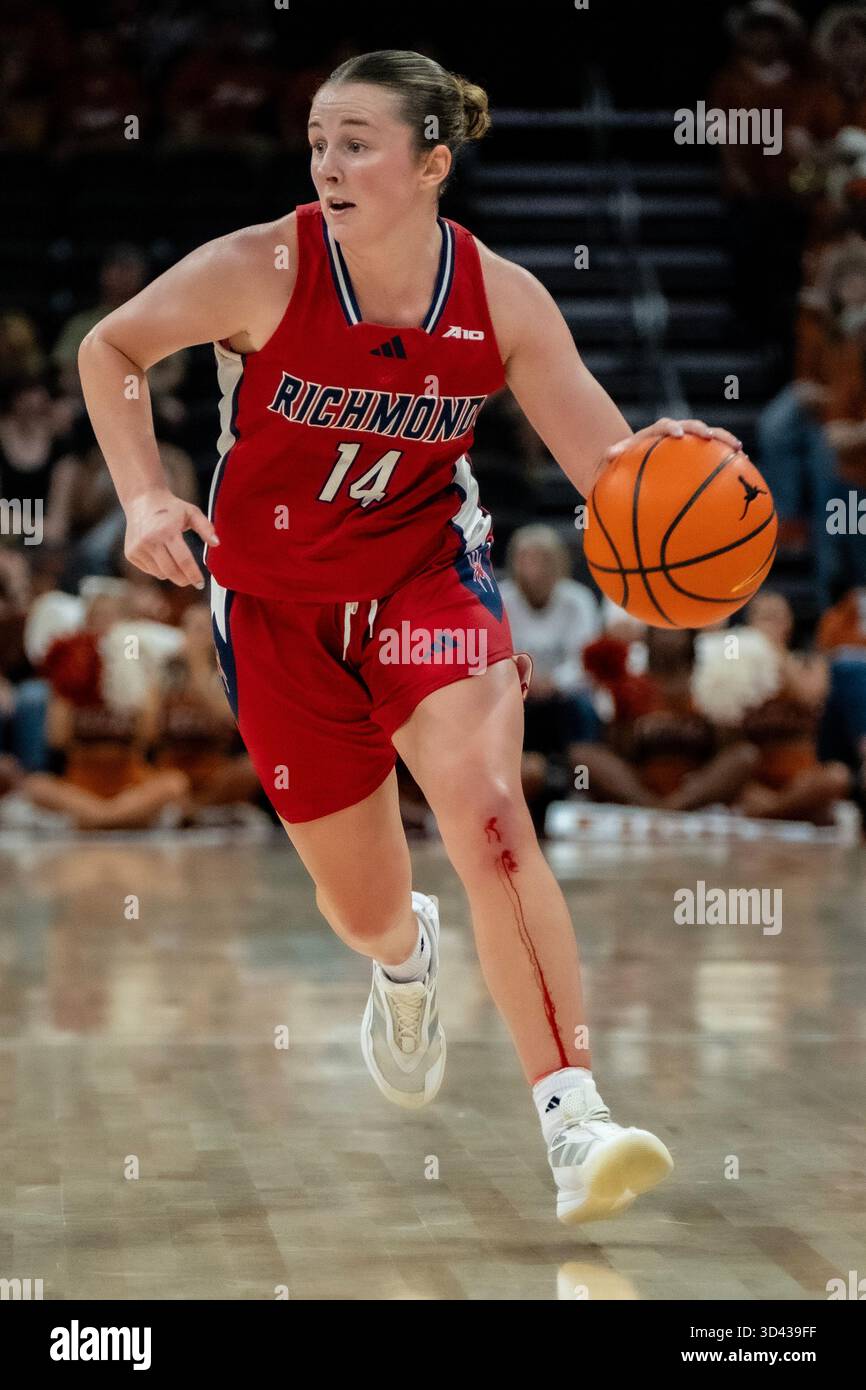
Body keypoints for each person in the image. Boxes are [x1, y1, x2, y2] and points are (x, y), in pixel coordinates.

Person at [77, 49, 742, 1225]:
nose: (326, 163)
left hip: (424, 584)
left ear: (431, 164)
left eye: (356, 142)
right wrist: (140, 496)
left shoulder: (503, 302)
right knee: (365, 907)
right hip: (275, 608)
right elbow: (110, 349)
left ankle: (573, 1116)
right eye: (318, 141)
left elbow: (611, 473)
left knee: (489, 813)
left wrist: (664, 469)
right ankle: (402, 961)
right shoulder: (264, 267)